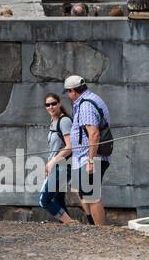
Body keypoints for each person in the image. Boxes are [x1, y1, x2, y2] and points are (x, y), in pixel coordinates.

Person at [65, 75, 111, 225]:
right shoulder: (90, 99)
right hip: (83, 156)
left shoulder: (85, 105)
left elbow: (94, 134)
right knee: (79, 188)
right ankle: (93, 224)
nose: (67, 95)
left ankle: (101, 233)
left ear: (73, 91)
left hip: (90, 156)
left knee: (91, 195)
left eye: (68, 92)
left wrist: (90, 161)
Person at [39, 93, 76, 224]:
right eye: (48, 105)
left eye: (54, 103)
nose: (51, 107)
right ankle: (68, 228)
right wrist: (49, 164)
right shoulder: (53, 121)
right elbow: (53, 149)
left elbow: (70, 147)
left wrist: (54, 161)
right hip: (54, 166)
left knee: (44, 200)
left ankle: (70, 224)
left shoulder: (64, 121)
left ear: (59, 104)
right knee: (57, 200)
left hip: (63, 166)